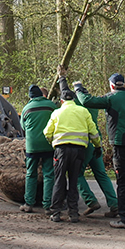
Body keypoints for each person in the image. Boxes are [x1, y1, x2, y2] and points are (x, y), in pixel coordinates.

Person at [60, 69, 125, 229]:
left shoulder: (110, 98)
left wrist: (76, 86)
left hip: (120, 143)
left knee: (122, 182)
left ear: (112, 86)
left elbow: (87, 101)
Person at [43, 87, 101, 223]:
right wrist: (97, 146)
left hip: (61, 150)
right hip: (78, 150)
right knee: (74, 180)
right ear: (74, 99)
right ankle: (73, 213)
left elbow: (47, 132)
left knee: (59, 180)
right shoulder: (83, 111)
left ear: (62, 100)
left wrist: (53, 142)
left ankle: (56, 212)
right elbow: (93, 132)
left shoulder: (57, 113)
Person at [73, 84, 118, 217]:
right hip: (96, 141)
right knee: (101, 174)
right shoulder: (93, 104)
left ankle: (90, 200)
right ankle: (114, 203)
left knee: (76, 174)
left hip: (84, 142)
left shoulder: (76, 104)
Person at [20, 85, 58, 214]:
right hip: (48, 144)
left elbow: (23, 127)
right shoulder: (52, 106)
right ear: (42, 95)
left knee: (31, 173)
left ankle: (28, 204)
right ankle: (48, 205)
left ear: (30, 96)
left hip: (32, 146)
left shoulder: (26, 108)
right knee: (49, 174)